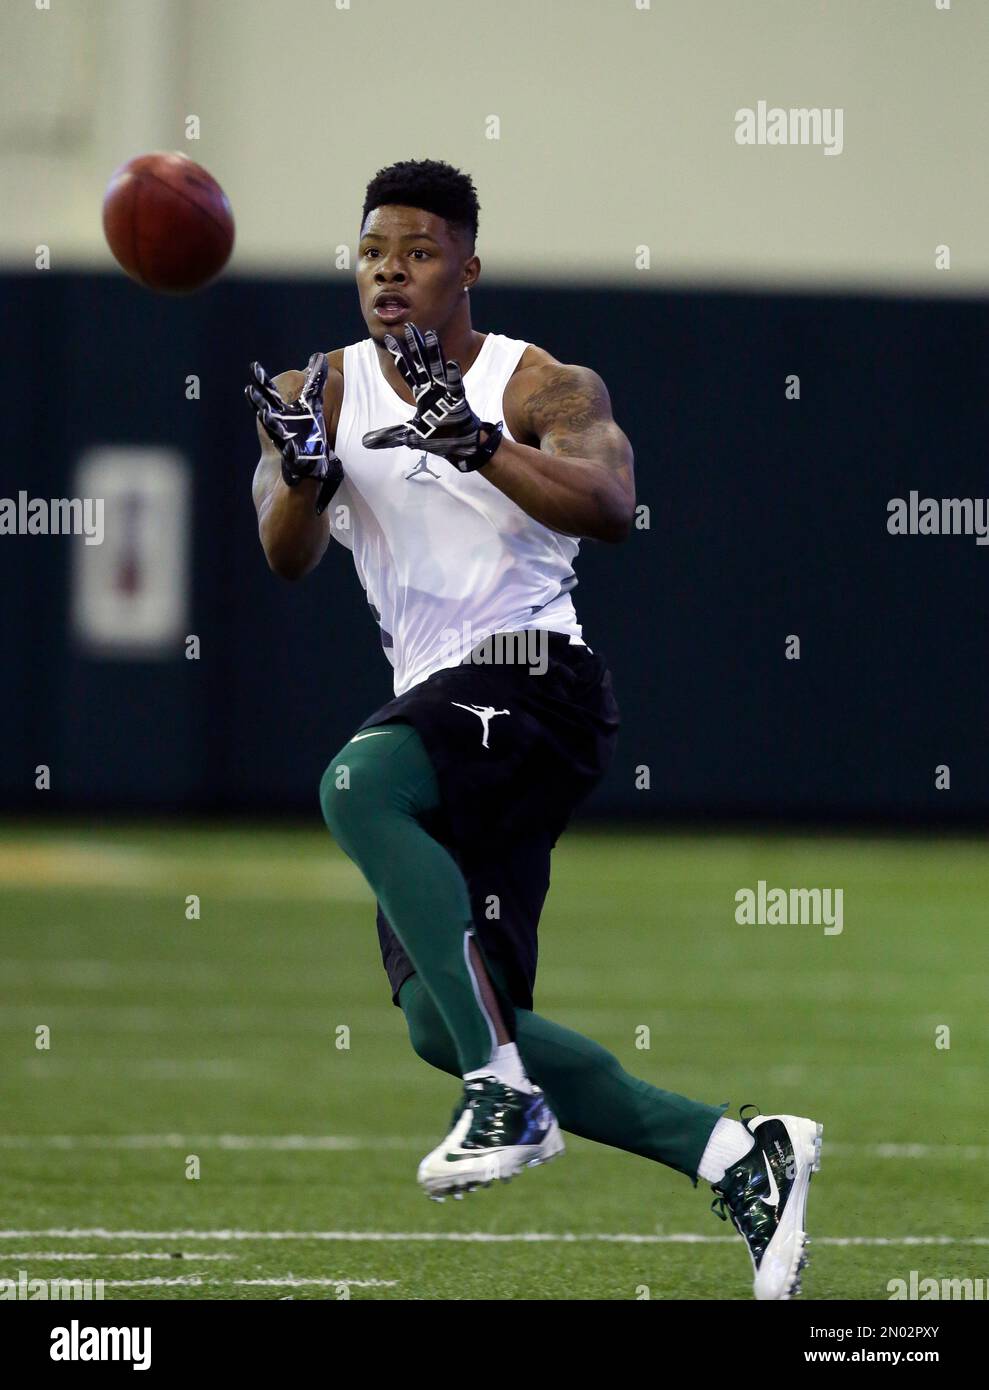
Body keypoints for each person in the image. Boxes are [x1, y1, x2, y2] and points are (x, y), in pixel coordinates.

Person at [246, 158, 821, 1300]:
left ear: (467, 263)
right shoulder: (319, 388)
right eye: (370, 255)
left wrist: (474, 443)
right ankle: (732, 1151)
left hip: (531, 676)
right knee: (440, 1022)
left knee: (357, 787)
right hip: (441, 702)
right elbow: (284, 553)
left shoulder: (536, 383)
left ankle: (503, 1094)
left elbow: (610, 509)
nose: (389, 274)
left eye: (414, 253)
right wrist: (303, 478)